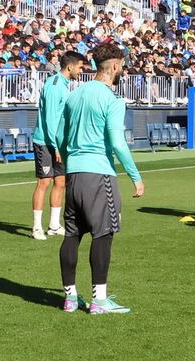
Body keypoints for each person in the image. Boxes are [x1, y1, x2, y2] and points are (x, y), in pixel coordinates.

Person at [56, 43, 144, 315]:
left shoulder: (74, 95)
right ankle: (99, 300)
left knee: (72, 234)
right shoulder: (112, 99)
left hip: (74, 174)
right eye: (122, 65)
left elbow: (60, 136)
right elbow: (117, 142)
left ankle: (70, 298)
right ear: (115, 65)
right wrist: (135, 176)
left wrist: (72, 162)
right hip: (99, 173)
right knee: (103, 234)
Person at [29, 51, 84, 239]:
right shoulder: (54, 86)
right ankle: (37, 227)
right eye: (80, 66)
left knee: (60, 182)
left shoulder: (64, 85)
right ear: (70, 66)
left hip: (58, 142)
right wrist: (55, 146)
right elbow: (50, 118)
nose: (81, 70)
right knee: (44, 182)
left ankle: (54, 224)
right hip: (46, 141)